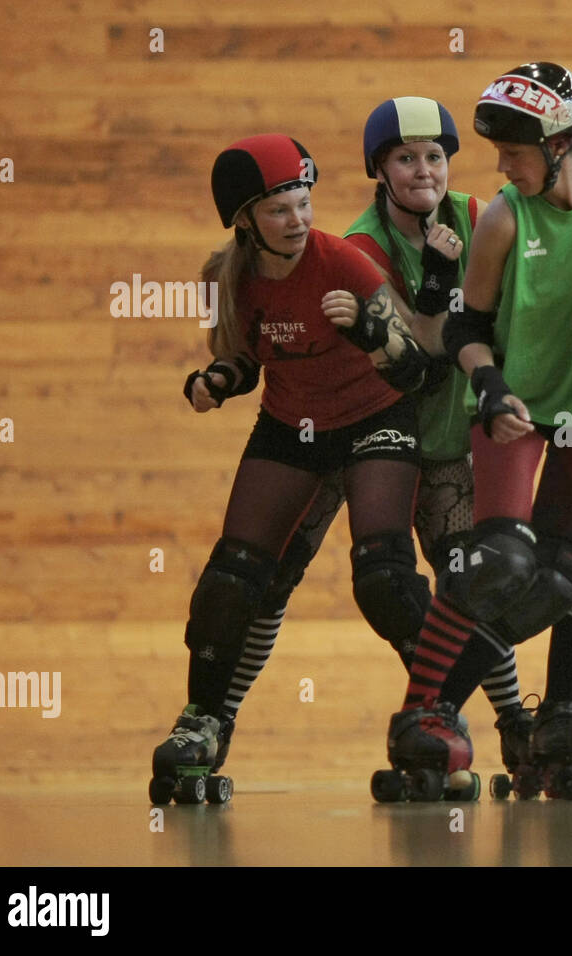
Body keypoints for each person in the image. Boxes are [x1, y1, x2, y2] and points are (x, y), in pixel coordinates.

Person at [218, 98, 535, 777]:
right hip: (368, 425)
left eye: (435, 156)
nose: (424, 170)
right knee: (271, 584)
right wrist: (441, 281)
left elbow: (520, 314)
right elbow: (420, 357)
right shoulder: (362, 247)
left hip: (445, 437)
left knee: (465, 584)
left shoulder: (481, 216)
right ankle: (217, 723)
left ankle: (512, 724)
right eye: (406, 158)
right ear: (379, 171)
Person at [386, 63, 572, 793]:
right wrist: (489, 387)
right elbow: (466, 327)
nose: (502, 167)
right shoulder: (506, 217)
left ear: (560, 143)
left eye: (514, 153)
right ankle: (420, 712)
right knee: (501, 563)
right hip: (518, 408)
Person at [150, 134, 432, 804]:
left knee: (386, 580)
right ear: (245, 220)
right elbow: (245, 358)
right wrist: (216, 380)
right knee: (230, 581)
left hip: (376, 415)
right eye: (279, 210)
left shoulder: (345, 263)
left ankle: (433, 715)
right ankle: (203, 723)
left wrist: (368, 330)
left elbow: (415, 369)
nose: (298, 220)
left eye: (303, 203)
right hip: (292, 424)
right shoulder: (227, 276)